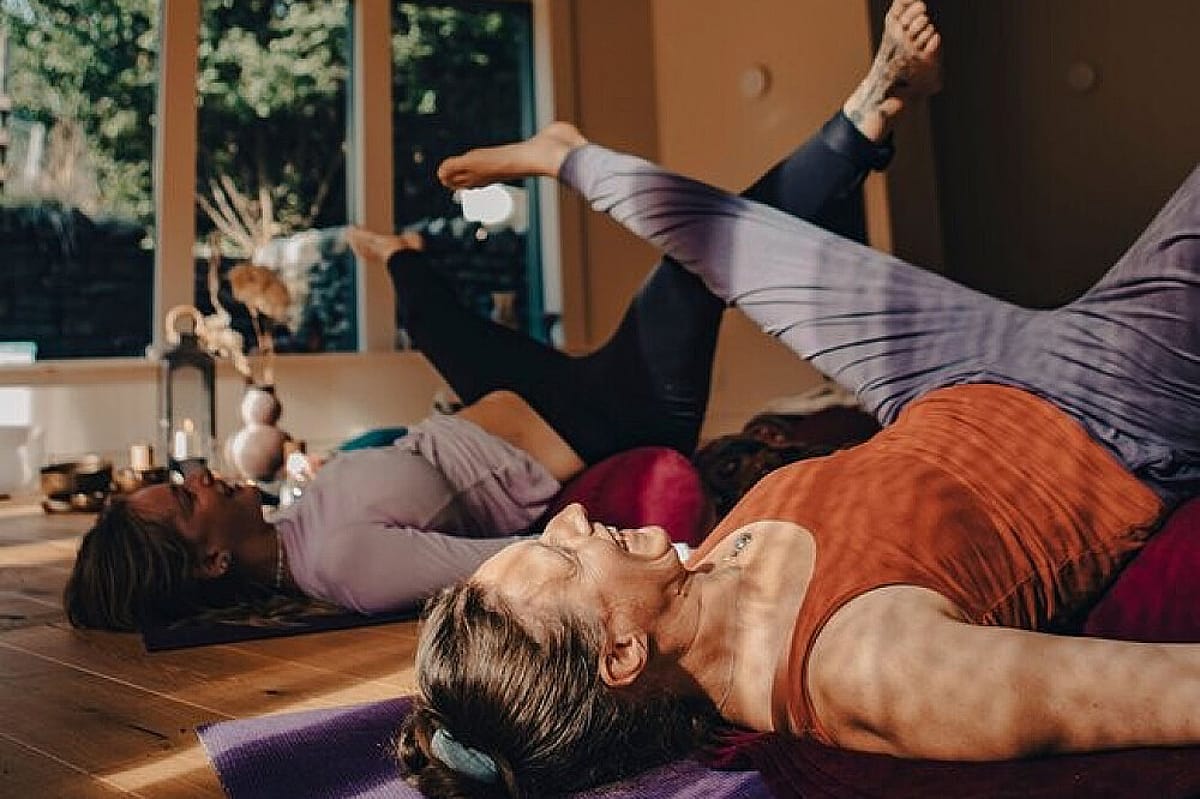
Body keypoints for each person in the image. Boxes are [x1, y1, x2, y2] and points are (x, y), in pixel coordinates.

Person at [401, 13, 1200, 799]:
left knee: (723, 248)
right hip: (1106, 405)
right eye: (565, 554)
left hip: (939, 383)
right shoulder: (871, 671)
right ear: (619, 653)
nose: (574, 520)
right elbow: (1176, 691)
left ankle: (577, 158)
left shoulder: (694, 582)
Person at [60, 0, 940, 631]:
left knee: (438, 328)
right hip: (589, 423)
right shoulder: (349, 568)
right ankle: (865, 121)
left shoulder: (298, 522)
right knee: (691, 269)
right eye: (185, 497)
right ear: (211, 559)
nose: (201, 477)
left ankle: (405, 255)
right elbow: (524, 559)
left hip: (509, 407)